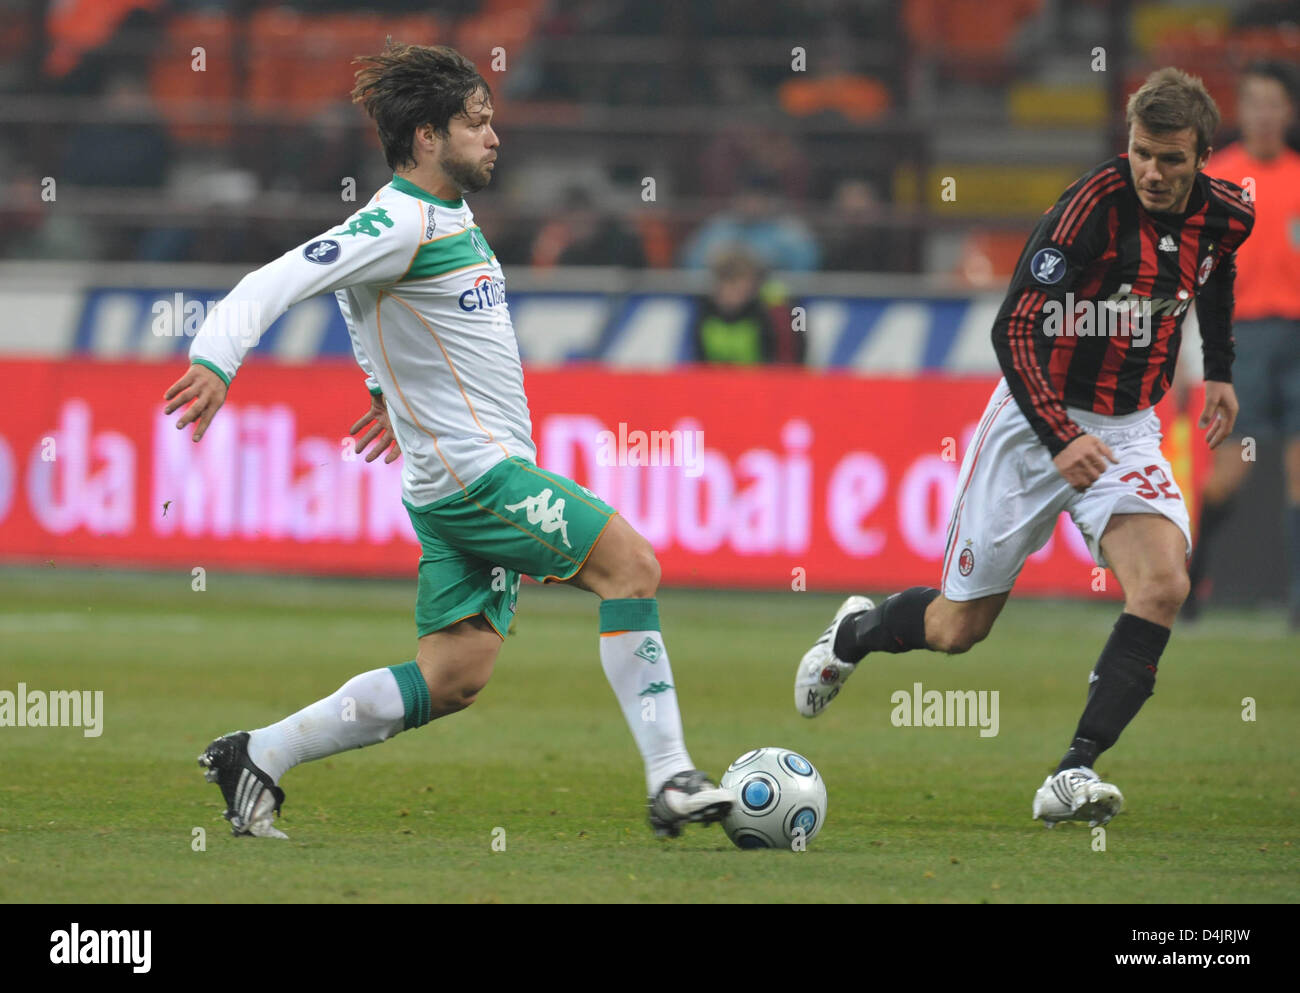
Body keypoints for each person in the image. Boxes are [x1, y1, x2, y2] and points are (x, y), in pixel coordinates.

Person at [163, 42, 731, 840]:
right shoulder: (397, 218)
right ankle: (671, 776)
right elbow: (275, 281)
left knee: (455, 674)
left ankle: (258, 753)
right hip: (477, 478)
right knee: (632, 568)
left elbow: (378, 313)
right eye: (476, 123)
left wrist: (384, 390)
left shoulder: (448, 220)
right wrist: (215, 360)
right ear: (427, 138)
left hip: (450, 482)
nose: (494, 136)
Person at [794, 68, 1254, 827]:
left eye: (1172, 159)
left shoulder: (1229, 214)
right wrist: (1060, 434)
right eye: (1142, 152)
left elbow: (1215, 272)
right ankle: (853, 632)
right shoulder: (1088, 212)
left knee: (1164, 585)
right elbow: (1011, 328)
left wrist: (1222, 373)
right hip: (1035, 416)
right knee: (956, 628)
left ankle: (1071, 771)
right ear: (1128, 145)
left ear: (1202, 156)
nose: (1154, 171)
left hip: (1129, 427)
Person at [1188, 61, 1300, 629]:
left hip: (1299, 337)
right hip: (1242, 339)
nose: (1263, 113)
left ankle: (1298, 609)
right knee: (1232, 468)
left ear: (1288, 111)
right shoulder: (1218, 179)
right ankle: (1189, 584)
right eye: (1253, 102)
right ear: (1242, 110)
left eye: (1273, 102)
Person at [686, 245, 804, 364]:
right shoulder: (704, 313)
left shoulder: (769, 312)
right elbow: (699, 360)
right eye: (730, 283)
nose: (735, 292)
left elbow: (785, 357)